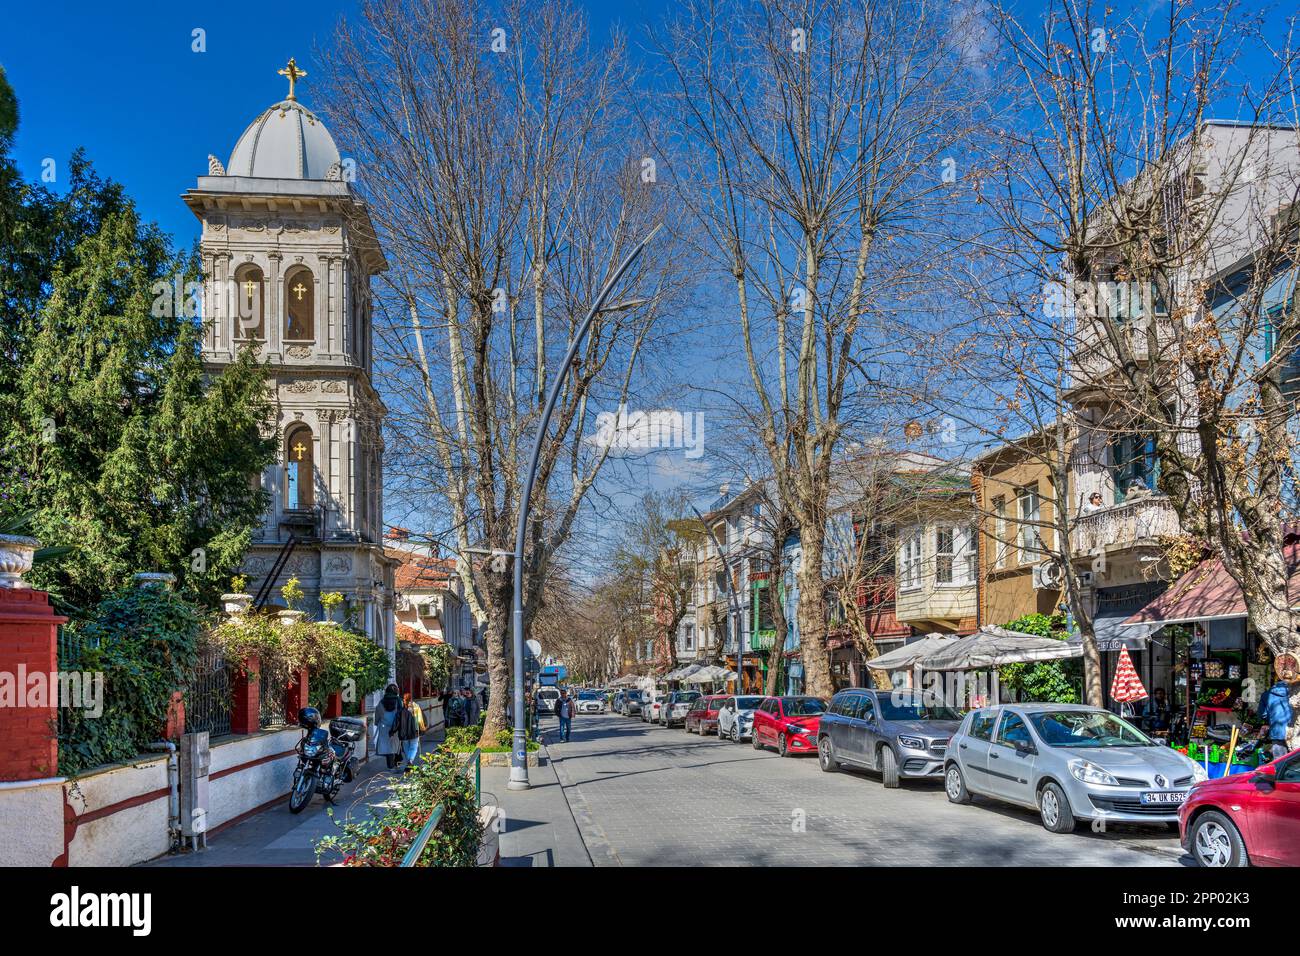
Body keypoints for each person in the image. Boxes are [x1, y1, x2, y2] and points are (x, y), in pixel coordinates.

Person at [1258, 677, 1295, 761]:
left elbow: (1262, 714)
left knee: (1279, 762)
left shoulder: (1266, 694)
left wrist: (1271, 718)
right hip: (1294, 731)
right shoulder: (1295, 693)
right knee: (1296, 764)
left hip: (1277, 732)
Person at [372, 683, 403, 769]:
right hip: (396, 727)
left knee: (387, 746)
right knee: (396, 745)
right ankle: (398, 761)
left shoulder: (381, 702)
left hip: (384, 727)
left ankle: (390, 764)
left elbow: (377, 713)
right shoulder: (399, 701)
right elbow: (402, 713)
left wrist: (376, 722)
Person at [399, 692, 426, 770]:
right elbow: (420, 719)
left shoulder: (401, 708)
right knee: (414, 747)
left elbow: (397, 721)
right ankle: (410, 761)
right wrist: (422, 728)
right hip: (415, 730)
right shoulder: (416, 707)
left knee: (406, 747)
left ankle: (409, 761)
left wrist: (394, 730)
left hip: (404, 732)